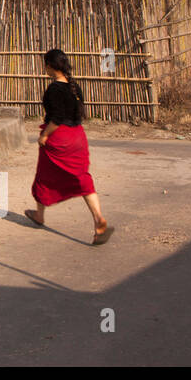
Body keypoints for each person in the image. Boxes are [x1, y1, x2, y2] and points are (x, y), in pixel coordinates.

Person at [24, 48, 113, 244]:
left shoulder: (54, 89)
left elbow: (56, 119)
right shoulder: (74, 87)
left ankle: (40, 215)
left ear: (49, 66)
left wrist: (45, 136)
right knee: (82, 178)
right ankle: (98, 218)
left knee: (43, 176)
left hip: (59, 137)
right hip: (78, 137)